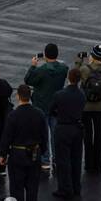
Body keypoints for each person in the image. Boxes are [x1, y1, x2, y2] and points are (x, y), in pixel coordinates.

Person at [0, 85, 49, 201]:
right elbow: (44, 135)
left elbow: (6, 137)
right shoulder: (39, 113)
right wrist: (42, 150)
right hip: (34, 154)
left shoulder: (13, 115)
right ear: (30, 96)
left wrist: (3, 155)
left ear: (18, 96)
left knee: (16, 190)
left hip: (17, 155)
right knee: (32, 191)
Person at [25, 44, 67, 173]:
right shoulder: (63, 69)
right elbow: (62, 67)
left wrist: (33, 66)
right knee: (55, 134)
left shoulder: (41, 70)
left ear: (45, 55)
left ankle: (44, 161)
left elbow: (28, 80)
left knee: (43, 135)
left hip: (41, 105)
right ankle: (56, 160)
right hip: (56, 107)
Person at [78, 45, 101, 172]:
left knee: (87, 135)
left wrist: (79, 61)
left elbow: (73, 76)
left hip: (86, 107)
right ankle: (98, 164)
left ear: (92, 56)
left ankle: (89, 164)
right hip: (100, 107)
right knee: (99, 134)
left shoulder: (84, 69)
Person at [50, 68, 86, 198]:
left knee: (63, 160)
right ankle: (76, 186)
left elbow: (52, 110)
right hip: (77, 128)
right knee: (76, 159)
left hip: (63, 128)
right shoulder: (82, 94)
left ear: (68, 78)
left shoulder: (59, 94)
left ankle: (65, 188)